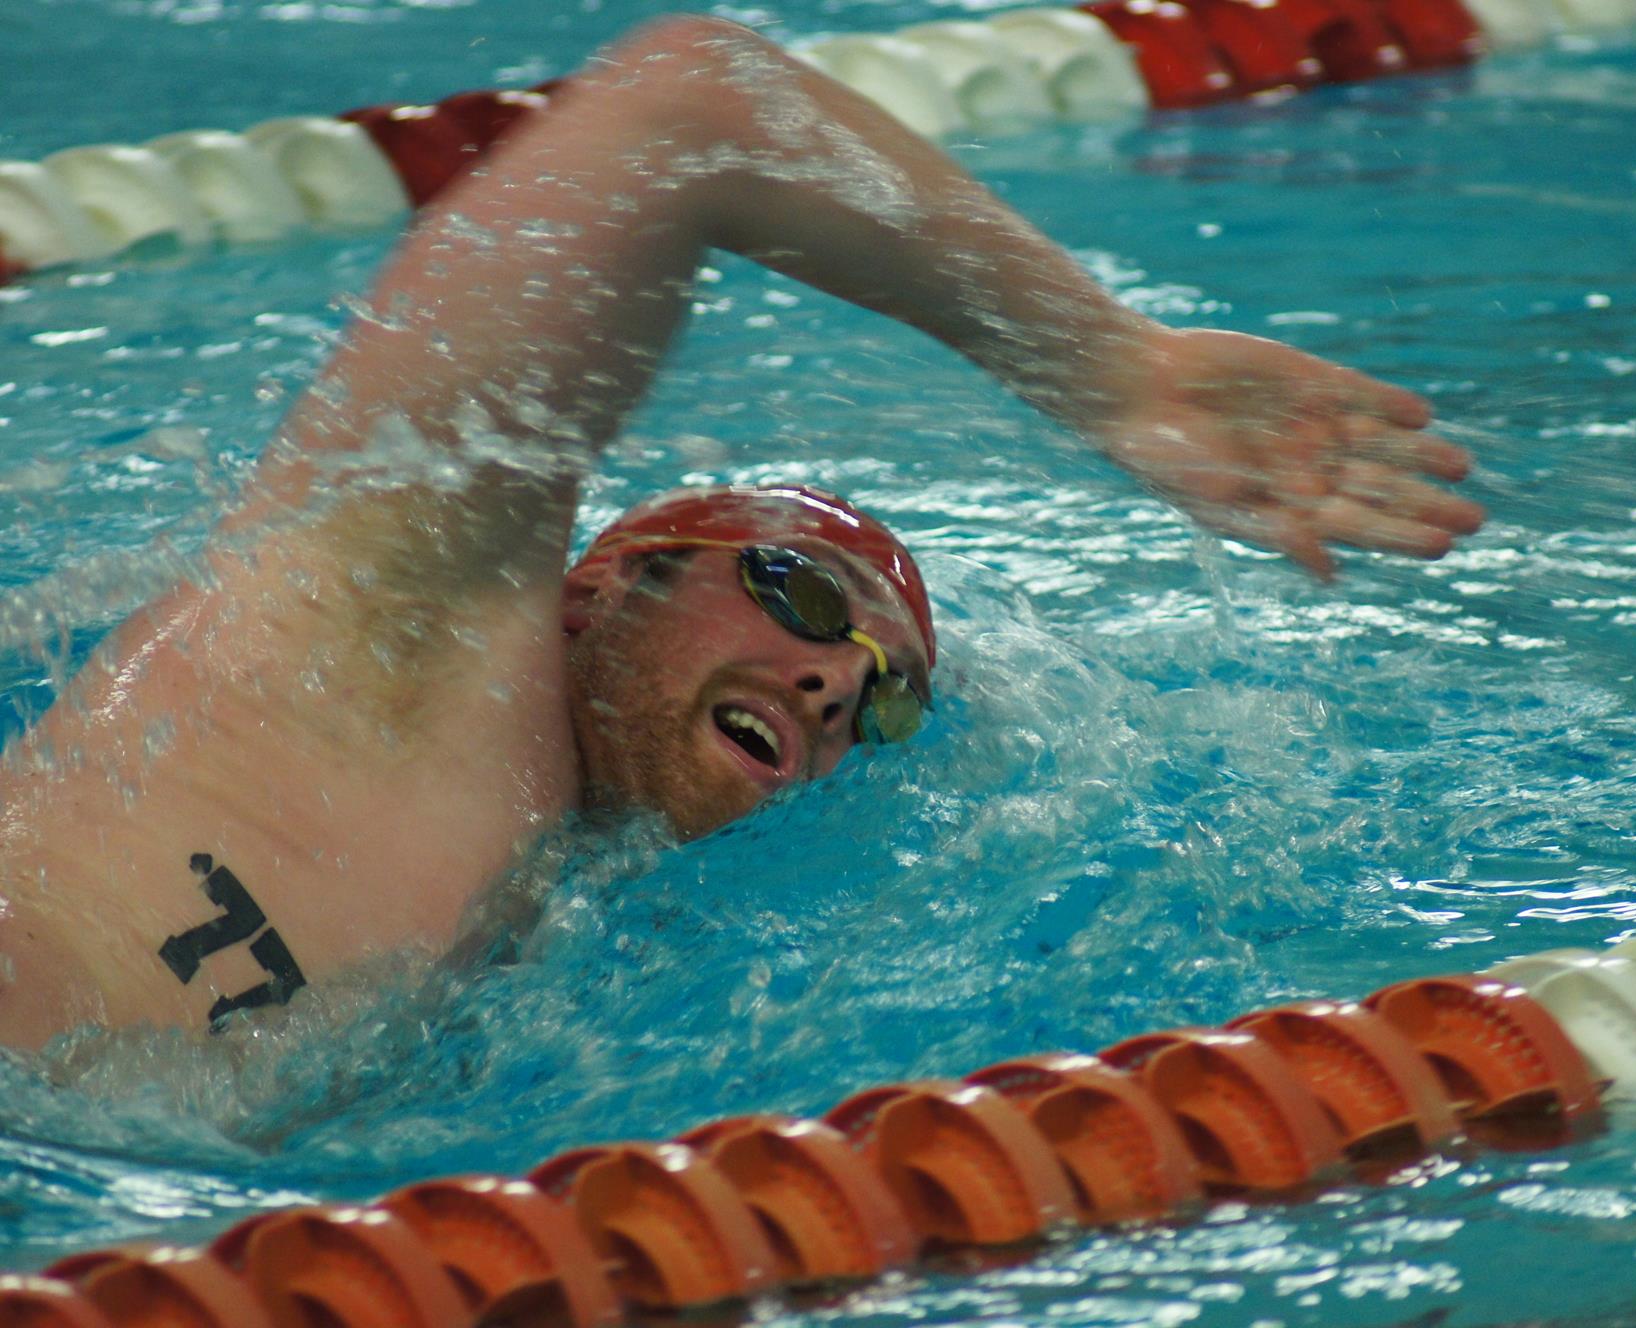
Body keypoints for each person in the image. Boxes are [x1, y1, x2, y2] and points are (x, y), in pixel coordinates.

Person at [0, 16, 1484, 1051]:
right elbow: (688, 111)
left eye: (887, 695)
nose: (842, 682)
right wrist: (1105, 366)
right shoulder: (401, 617)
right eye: (803, 594)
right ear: (610, 583)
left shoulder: (556, 945)